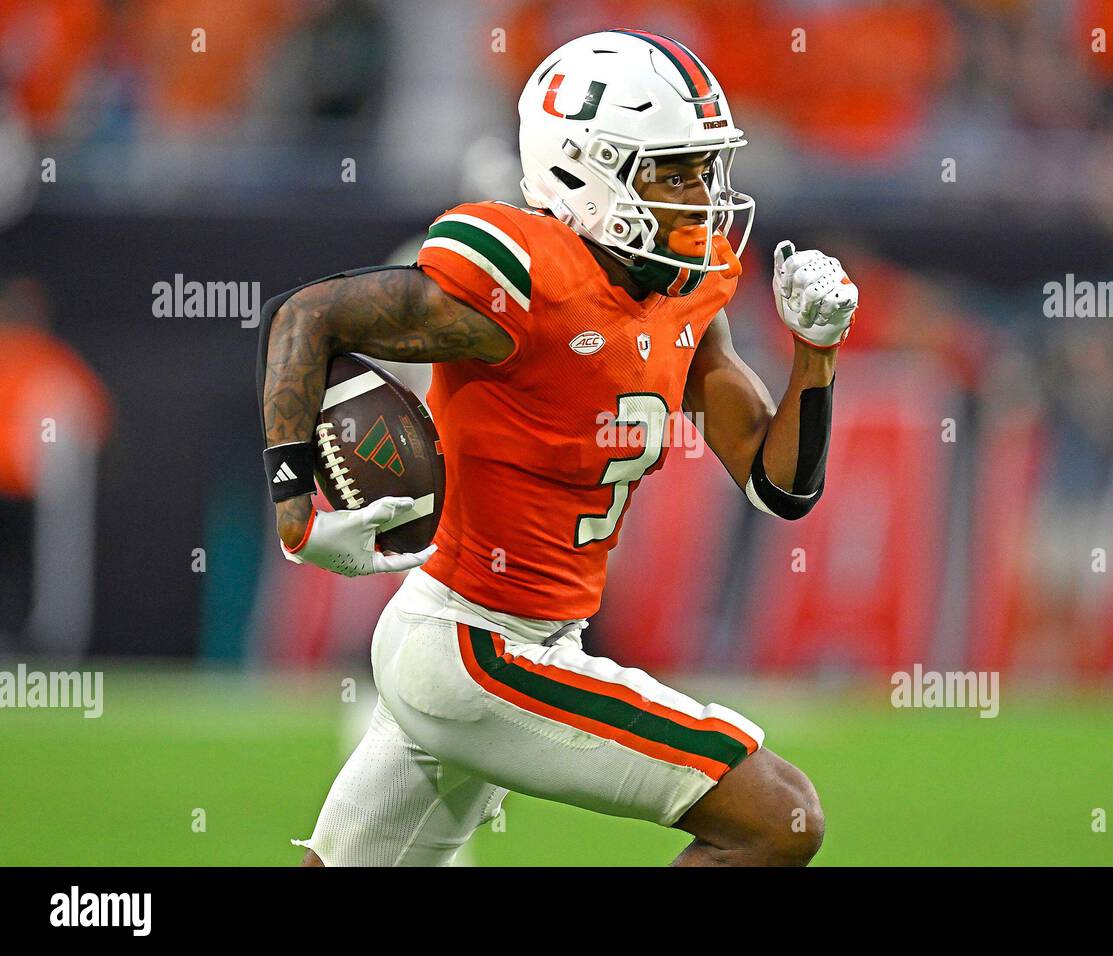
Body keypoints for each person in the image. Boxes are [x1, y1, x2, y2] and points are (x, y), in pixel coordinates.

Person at [259, 29, 857, 866]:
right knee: (780, 816)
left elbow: (779, 485)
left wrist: (814, 351)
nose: (703, 197)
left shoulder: (686, 287)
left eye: (705, 169)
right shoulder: (526, 278)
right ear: (588, 168)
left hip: (526, 639)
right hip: (474, 646)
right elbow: (305, 317)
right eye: (675, 172)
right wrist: (296, 509)